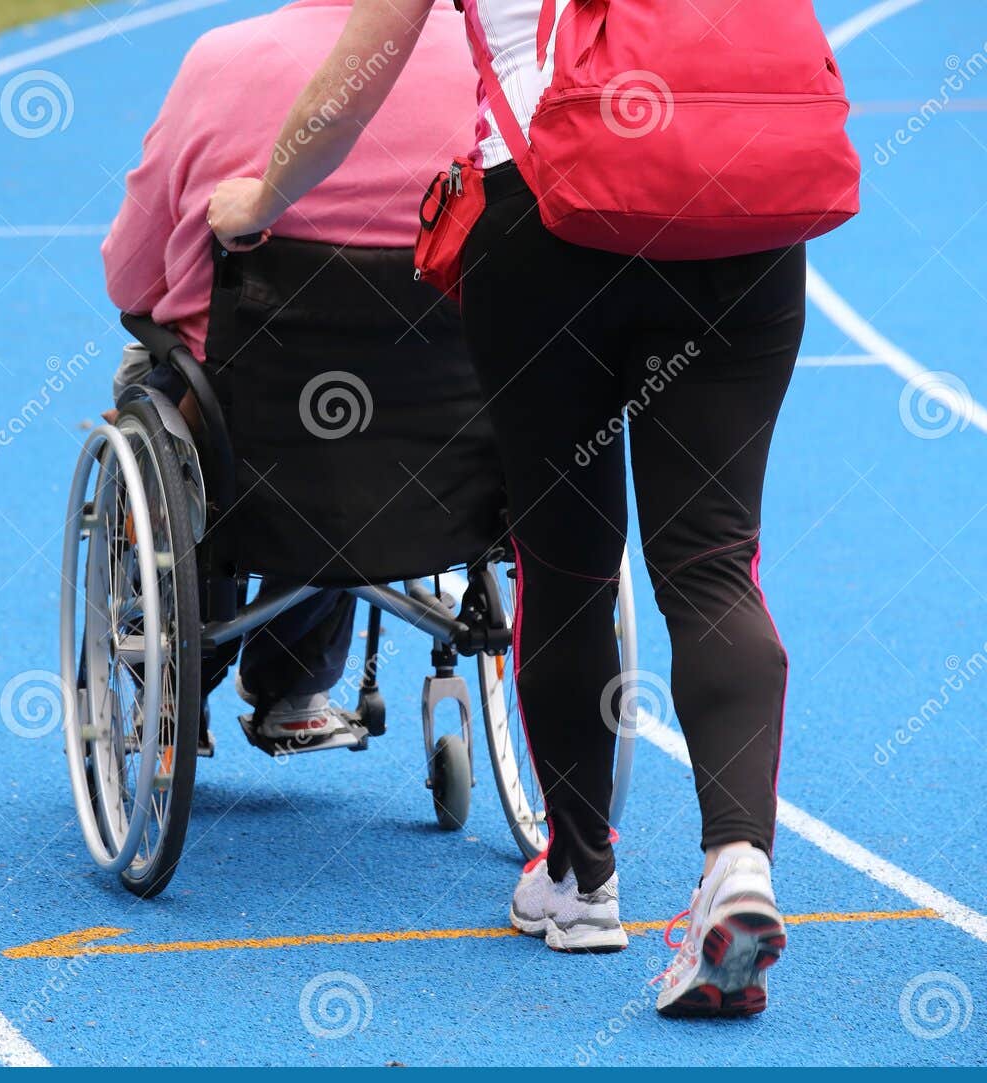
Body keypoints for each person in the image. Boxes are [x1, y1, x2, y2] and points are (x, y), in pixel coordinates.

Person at [209, 0, 797, 1016]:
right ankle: (737, 857)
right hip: (737, 202)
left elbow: (362, 71)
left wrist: (262, 195)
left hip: (552, 219)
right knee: (710, 561)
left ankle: (580, 873)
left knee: (564, 556)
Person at [101, 0, 481, 745]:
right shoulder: (487, 64)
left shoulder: (225, 60)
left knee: (167, 387)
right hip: (446, 427)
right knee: (355, 400)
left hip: (252, 426)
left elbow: (130, 277)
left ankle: (178, 670)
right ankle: (298, 680)